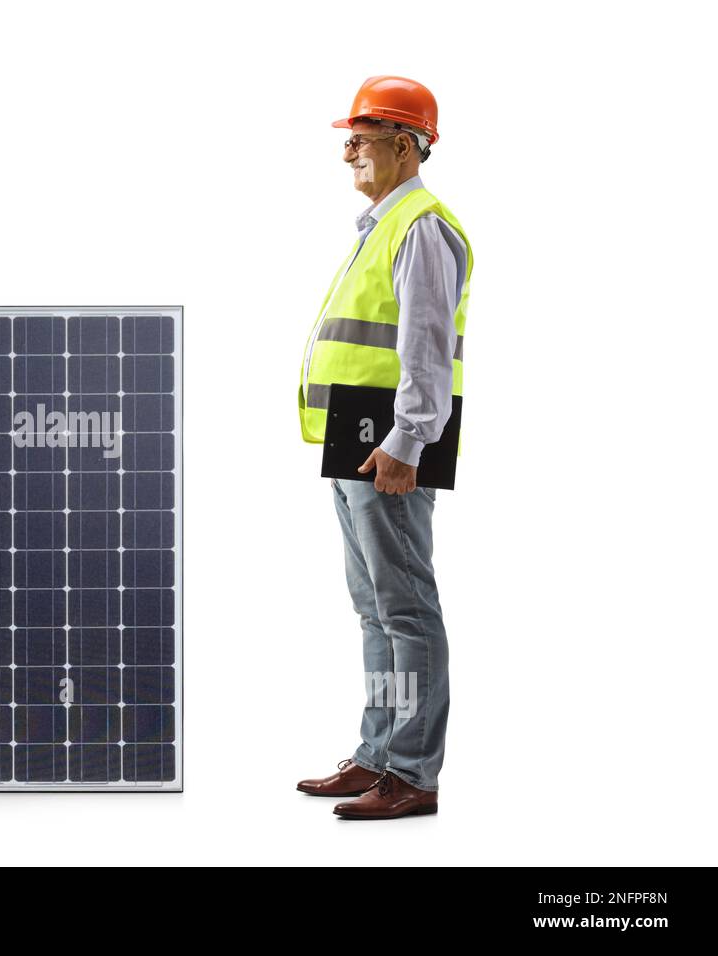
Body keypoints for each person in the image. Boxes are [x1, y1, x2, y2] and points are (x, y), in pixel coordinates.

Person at [295, 76, 473, 820]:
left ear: (405, 145)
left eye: (360, 140)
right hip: (354, 439)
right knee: (374, 609)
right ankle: (377, 757)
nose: (348, 155)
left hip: (388, 442)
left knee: (405, 609)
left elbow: (425, 345)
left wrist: (408, 439)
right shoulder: (382, 226)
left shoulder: (420, 227)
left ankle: (412, 774)